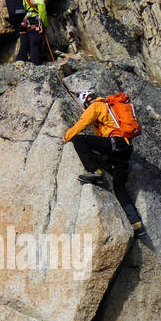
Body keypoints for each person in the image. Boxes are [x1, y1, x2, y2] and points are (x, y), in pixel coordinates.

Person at [63, 89, 143, 231]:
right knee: (119, 187)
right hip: (125, 149)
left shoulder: (96, 106)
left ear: (86, 103)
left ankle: (94, 170)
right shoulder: (109, 105)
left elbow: (82, 123)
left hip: (115, 143)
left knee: (79, 140)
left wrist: (66, 137)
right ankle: (136, 223)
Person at [15, 0, 51, 66]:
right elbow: (42, 9)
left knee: (24, 46)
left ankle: (18, 65)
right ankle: (36, 67)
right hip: (34, 21)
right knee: (35, 45)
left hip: (23, 21)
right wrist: (44, 24)